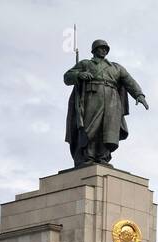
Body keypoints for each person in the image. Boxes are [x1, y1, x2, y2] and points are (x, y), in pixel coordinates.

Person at [64, 39, 149, 167]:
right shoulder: (86, 63)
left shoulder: (115, 67)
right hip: (92, 96)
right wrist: (80, 74)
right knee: (90, 127)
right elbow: (67, 77)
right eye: (101, 48)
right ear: (94, 50)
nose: (104, 50)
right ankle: (88, 156)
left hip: (112, 99)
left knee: (108, 128)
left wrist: (139, 95)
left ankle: (103, 157)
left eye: (105, 48)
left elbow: (129, 81)